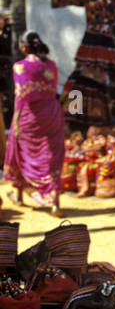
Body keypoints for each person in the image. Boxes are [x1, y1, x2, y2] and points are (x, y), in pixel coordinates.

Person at [4, 31, 66, 216]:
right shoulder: (51, 66)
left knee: (23, 153)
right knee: (52, 156)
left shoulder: (20, 67)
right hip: (52, 114)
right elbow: (52, 90)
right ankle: (55, 203)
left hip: (30, 116)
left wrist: (15, 122)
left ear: (24, 47)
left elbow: (21, 97)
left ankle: (20, 196)